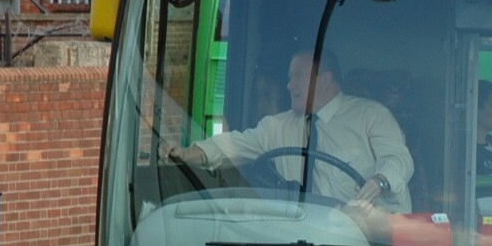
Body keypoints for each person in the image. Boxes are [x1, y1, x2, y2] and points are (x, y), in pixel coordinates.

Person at [171, 49, 414, 213]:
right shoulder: (279, 126)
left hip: (369, 243)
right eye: (289, 78)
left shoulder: (371, 115)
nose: (289, 85)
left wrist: (379, 181)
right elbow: (235, 144)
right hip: (301, 244)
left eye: (298, 77)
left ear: (324, 80)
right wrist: (189, 154)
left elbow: (399, 159)